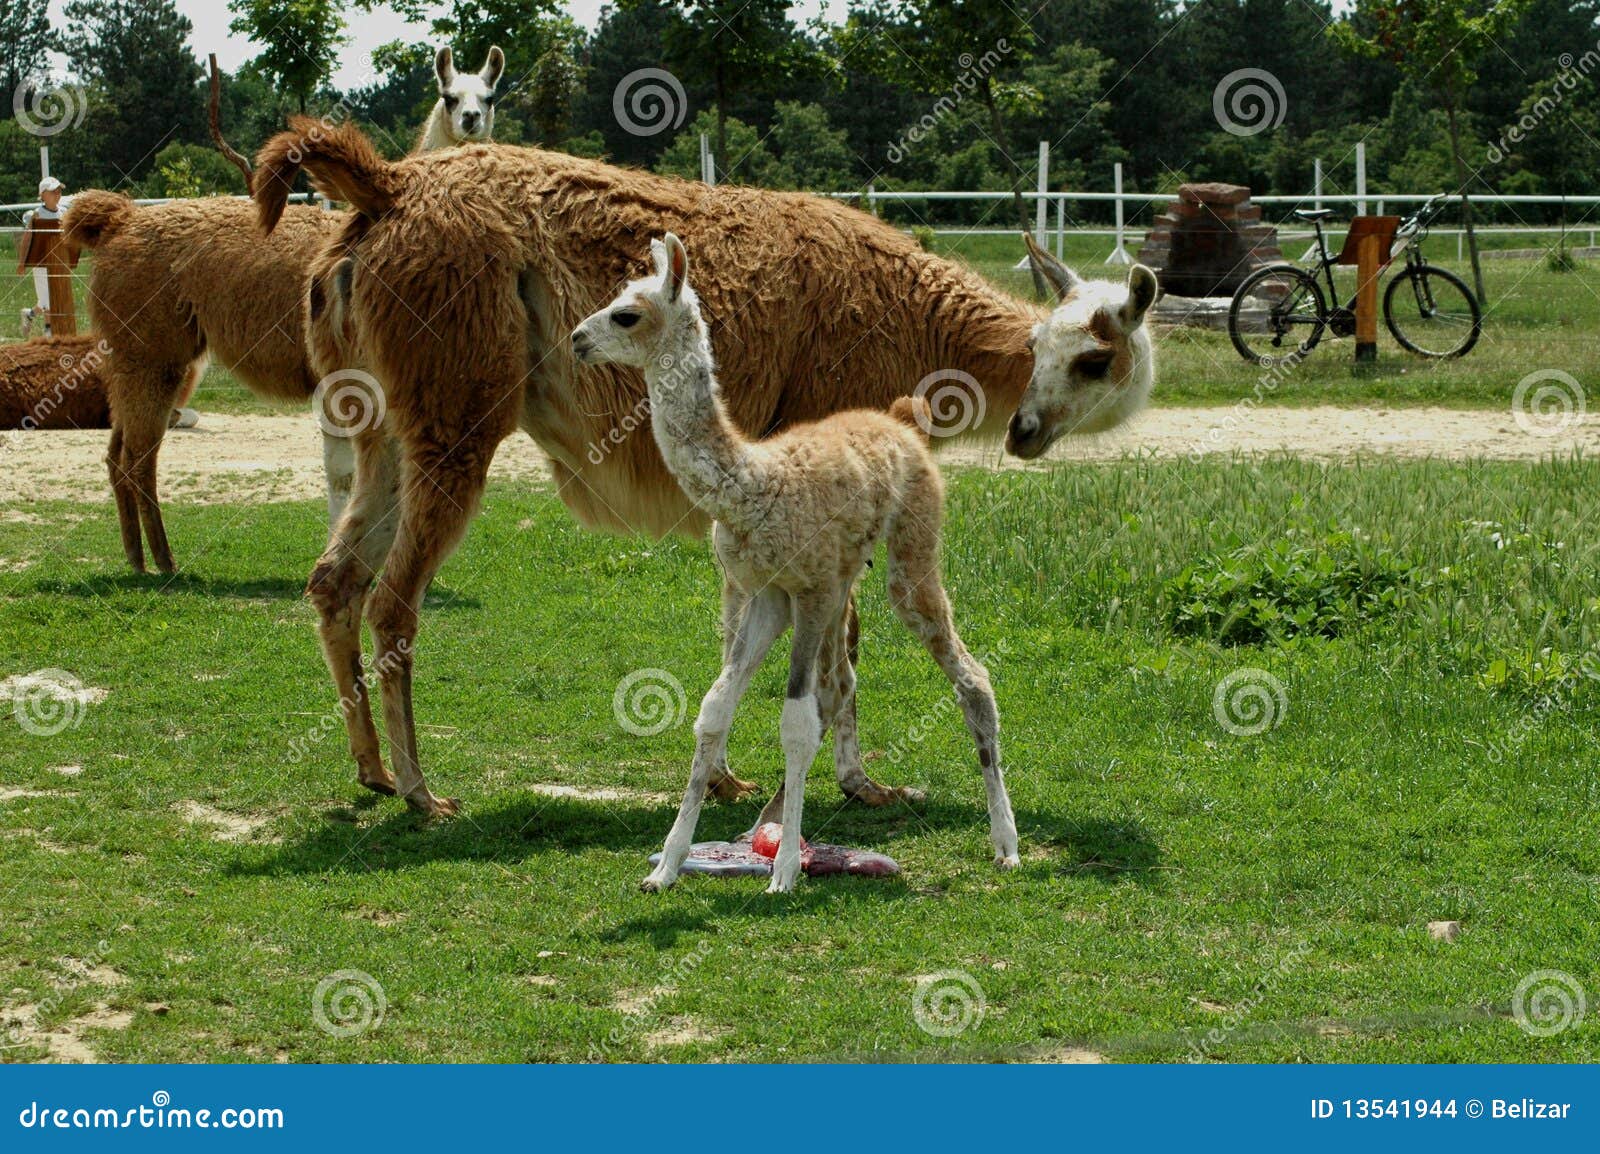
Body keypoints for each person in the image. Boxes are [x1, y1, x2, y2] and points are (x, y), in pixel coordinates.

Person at [16, 176, 68, 338]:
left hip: (58, 261)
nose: (57, 194)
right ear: (43, 195)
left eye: (59, 191)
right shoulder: (37, 214)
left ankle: (29, 314)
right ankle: (49, 332)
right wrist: (22, 262)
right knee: (48, 301)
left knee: (49, 299)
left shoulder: (64, 213)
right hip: (40, 262)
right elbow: (27, 239)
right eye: (53, 191)